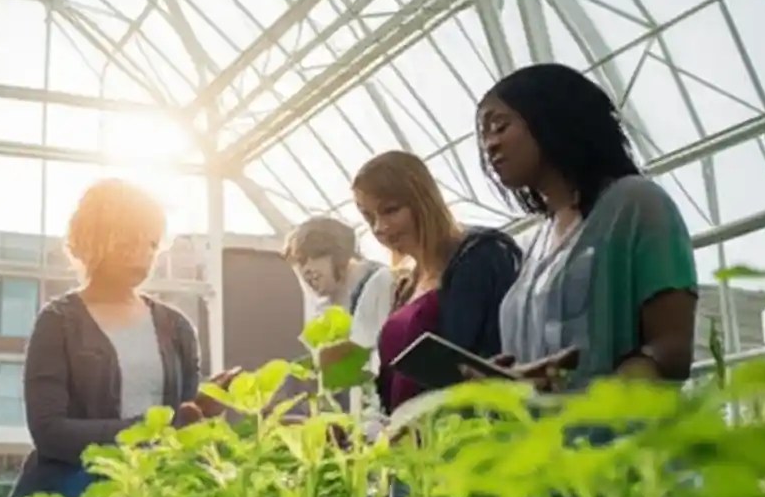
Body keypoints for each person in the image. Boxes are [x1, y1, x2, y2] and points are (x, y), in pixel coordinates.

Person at [9, 178, 235, 497]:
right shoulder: (58, 322)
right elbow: (49, 432)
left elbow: (184, 430)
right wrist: (150, 428)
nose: (143, 255)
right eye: (130, 240)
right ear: (93, 239)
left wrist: (200, 410)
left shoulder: (177, 327)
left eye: (152, 245)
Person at [477, 63, 697, 390]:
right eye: (484, 136)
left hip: (622, 438)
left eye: (499, 126)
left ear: (552, 116)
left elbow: (671, 348)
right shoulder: (534, 245)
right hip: (542, 439)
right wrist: (507, 382)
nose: (489, 145)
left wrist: (590, 401)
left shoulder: (635, 204)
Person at [353, 150, 522, 414]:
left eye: (390, 210)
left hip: (465, 433)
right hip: (412, 440)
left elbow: (493, 357)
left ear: (423, 200)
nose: (379, 227)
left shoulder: (480, 255)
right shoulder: (406, 285)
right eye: (369, 217)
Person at [282, 215, 394, 350]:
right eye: (299, 263)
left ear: (337, 252)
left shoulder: (382, 282)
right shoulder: (326, 310)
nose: (305, 271)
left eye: (311, 257)